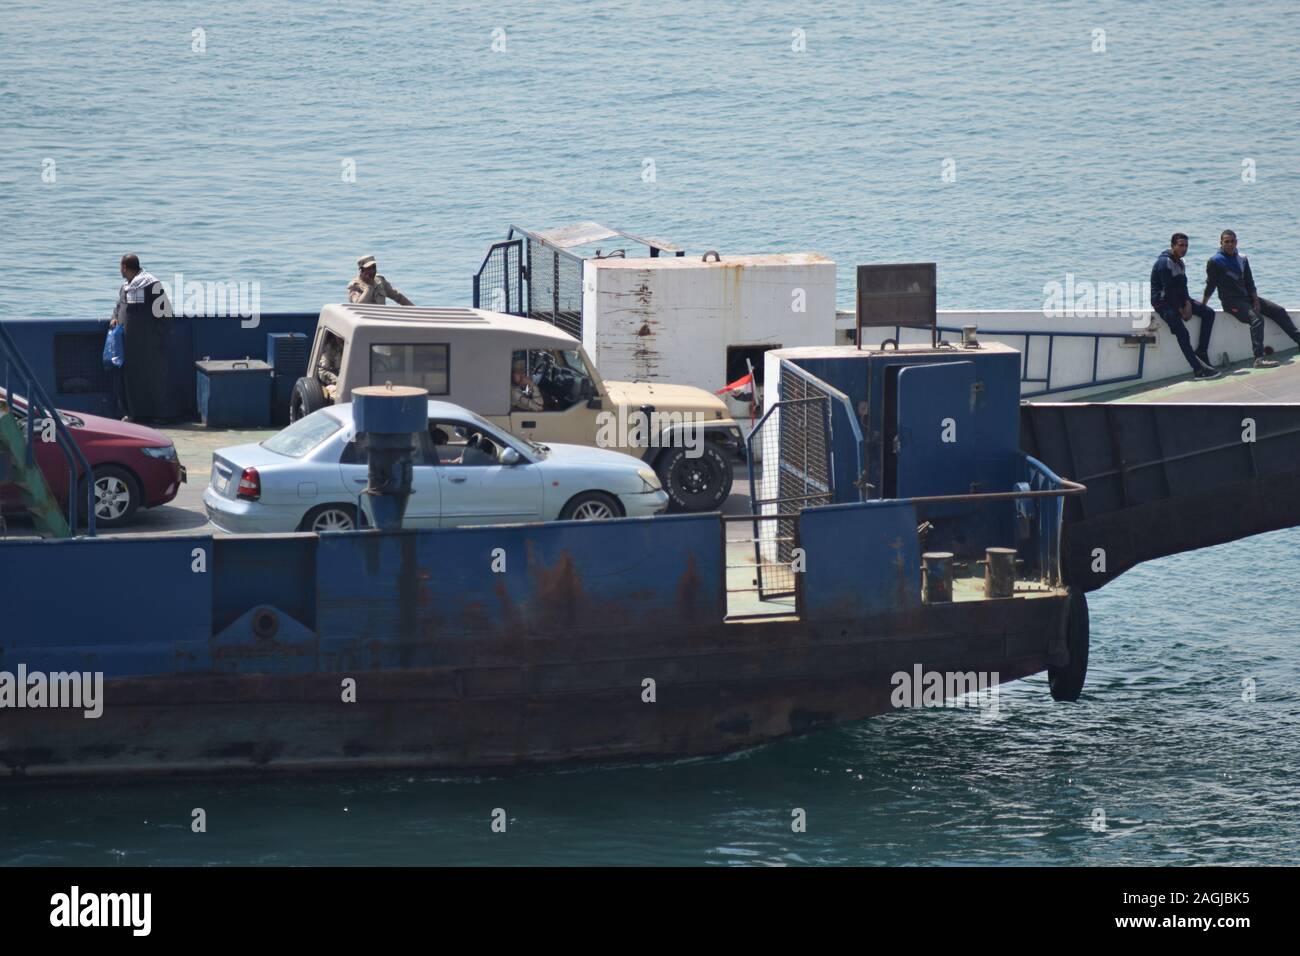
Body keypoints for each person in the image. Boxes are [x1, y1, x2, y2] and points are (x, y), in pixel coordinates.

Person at [1202, 230, 1300, 369]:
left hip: (1247, 298)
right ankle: (1259, 359)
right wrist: (1203, 305)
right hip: (1231, 302)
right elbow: (1210, 285)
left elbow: (1249, 282)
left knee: (1279, 311)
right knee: (1257, 319)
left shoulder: (1242, 258)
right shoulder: (1215, 262)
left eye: (1232, 241)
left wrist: (1255, 300)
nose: (1230, 244)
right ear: (1221, 243)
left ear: (1237, 242)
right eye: (1226, 242)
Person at [109, 253, 173, 422]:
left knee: (155, 379)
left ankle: (161, 415)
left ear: (124, 267)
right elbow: (118, 306)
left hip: (149, 344)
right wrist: (115, 317)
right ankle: (135, 414)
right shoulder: (125, 287)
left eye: (120, 266)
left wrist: (156, 337)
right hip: (129, 345)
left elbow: (166, 313)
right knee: (132, 381)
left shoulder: (151, 284)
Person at [1151, 234, 1219, 378]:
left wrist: (1187, 303)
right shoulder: (1164, 263)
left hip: (1178, 299)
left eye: (1186, 246)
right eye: (1180, 245)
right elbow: (1168, 290)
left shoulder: (1180, 263)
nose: (1184, 248)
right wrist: (1181, 310)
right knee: (1183, 333)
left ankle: (1202, 351)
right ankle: (1198, 370)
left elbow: (1183, 286)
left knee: (1208, 313)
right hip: (1163, 303)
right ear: (1173, 246)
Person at [347, 255, 413, 305]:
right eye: (369, 269)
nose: (373, 271)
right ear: (362, 270)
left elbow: (398, 297)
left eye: (374, 267)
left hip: (381, 318)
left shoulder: (380, 281)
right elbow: (359, 305)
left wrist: (414, 309)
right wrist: (369, 287)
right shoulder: (354, 286)